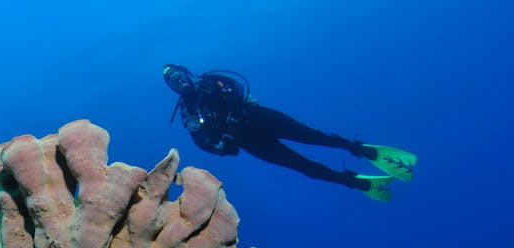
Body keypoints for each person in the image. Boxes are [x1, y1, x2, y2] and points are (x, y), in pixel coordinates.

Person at [162, 64, 417, 201]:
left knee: (313, 136)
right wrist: (225, 145)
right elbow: (205, 144)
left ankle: (356, 148)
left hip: (262, 119)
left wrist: (233, 107)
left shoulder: (211, 79)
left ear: (186, 71)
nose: (178, 82)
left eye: (178, 75)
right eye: (173, 81)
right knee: (304, 167)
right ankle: (352, 181)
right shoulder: (188, 112)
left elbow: (239, 84)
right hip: (252, 143)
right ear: (172, 88)